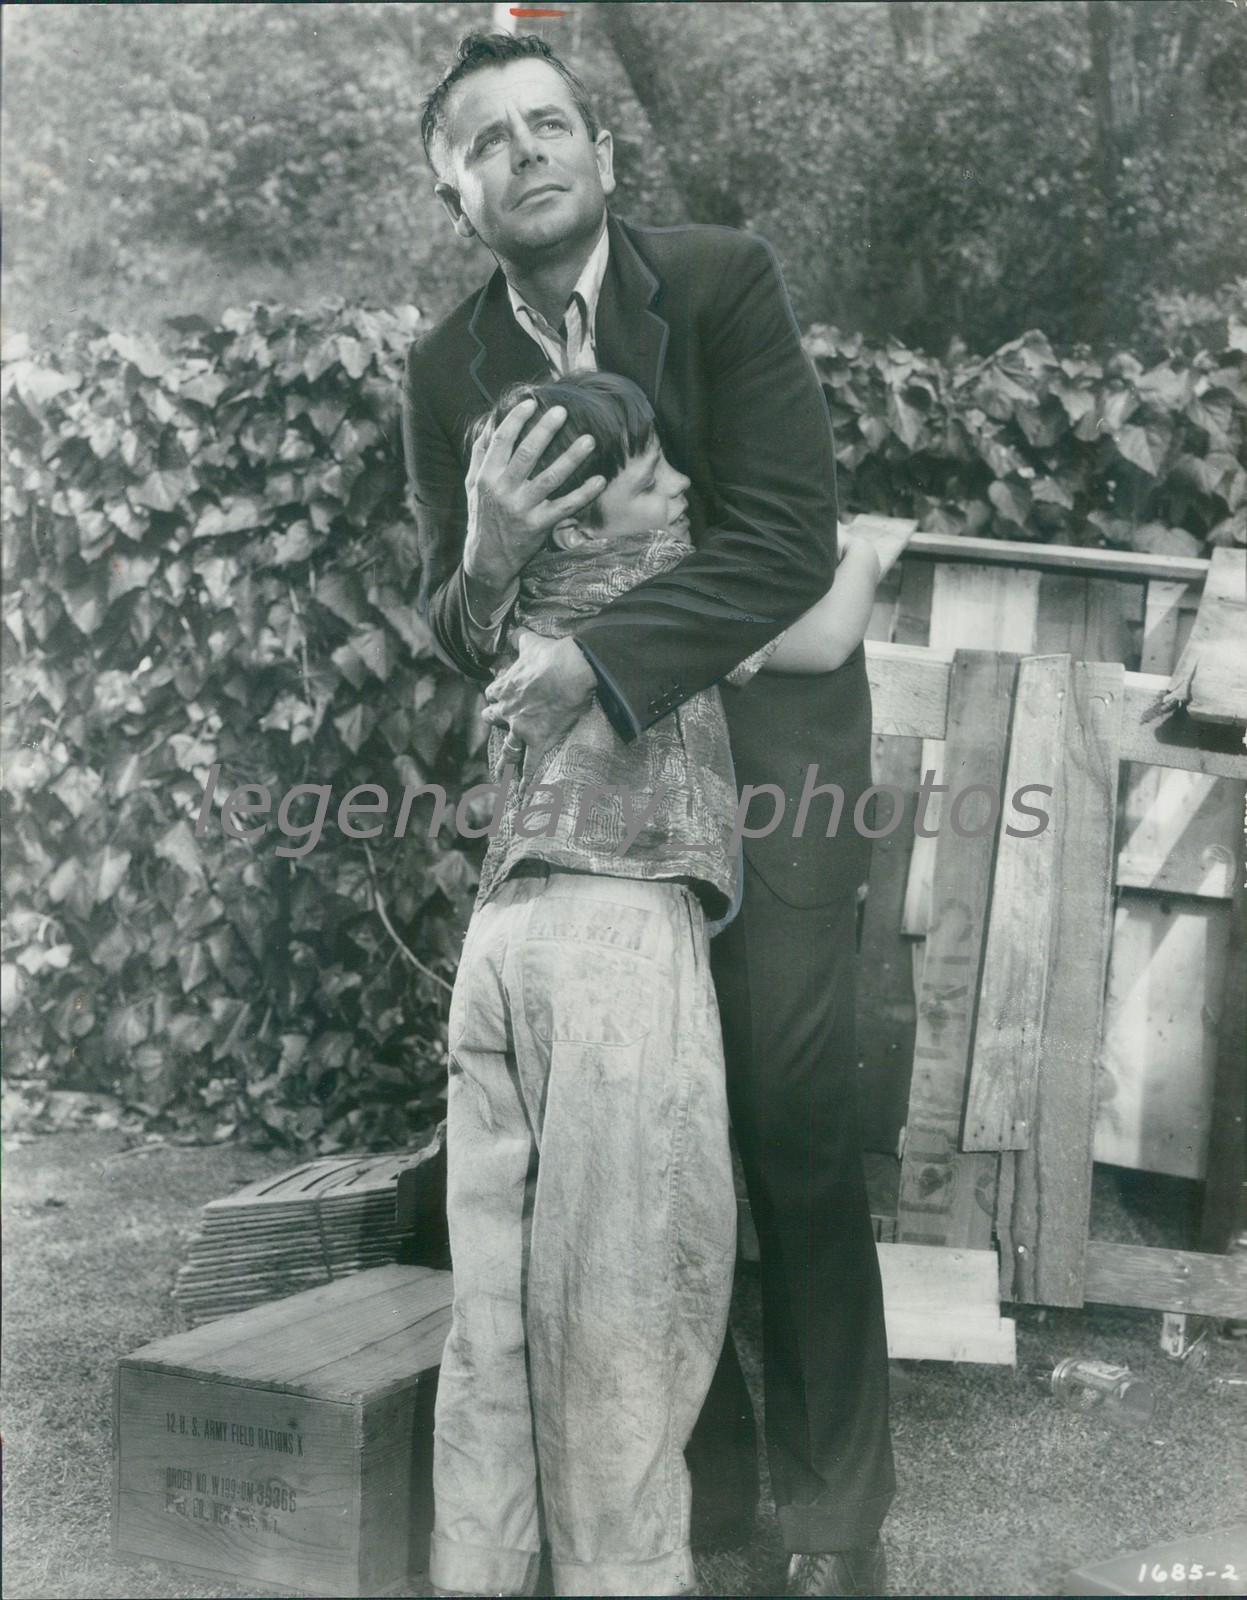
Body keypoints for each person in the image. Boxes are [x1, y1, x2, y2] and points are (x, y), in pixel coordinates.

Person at [402, 32, 894, 1597]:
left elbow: (787, 544)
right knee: (622, 1145)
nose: (527, 150)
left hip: (773, 743)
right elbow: (453, 628)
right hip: (595, 785)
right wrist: (486, 557)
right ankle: (703, 1496)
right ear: (455, 194)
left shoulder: (723, 281)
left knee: (787, 1116)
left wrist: (594, 656)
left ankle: (835, 1519)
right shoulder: (444, 369)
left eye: (552, 123)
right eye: (489, 140)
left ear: (605, 156)